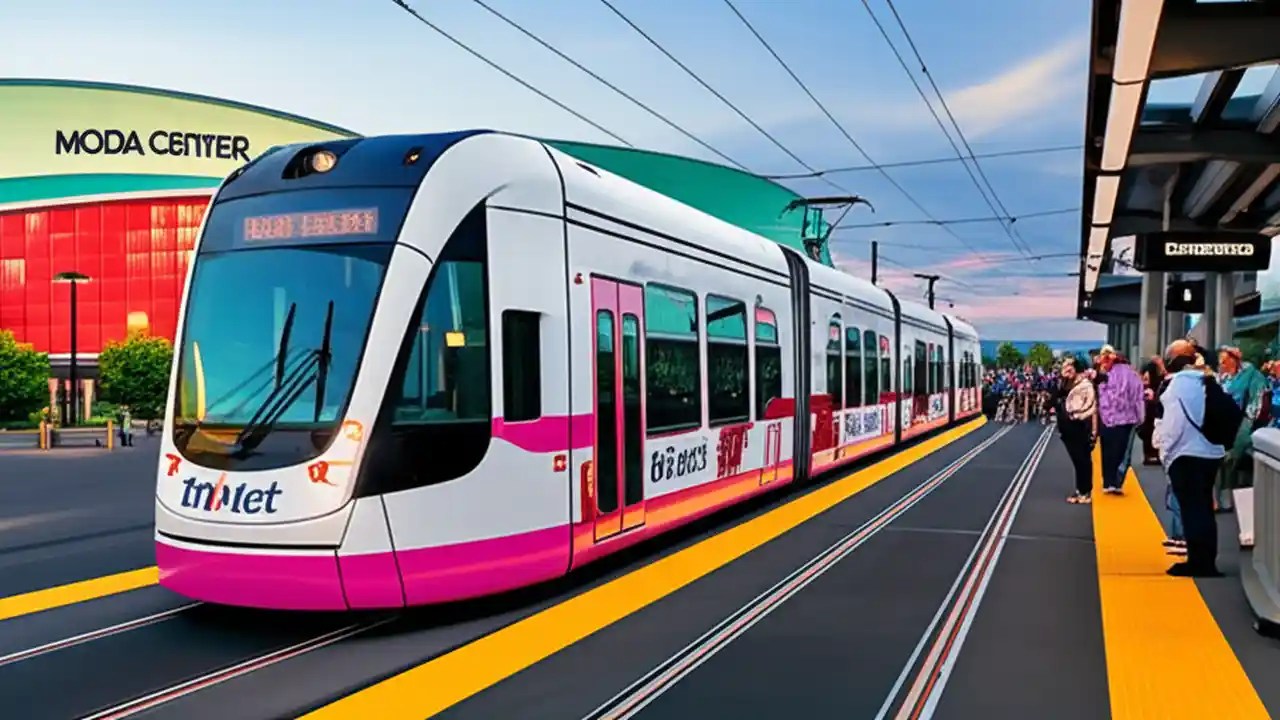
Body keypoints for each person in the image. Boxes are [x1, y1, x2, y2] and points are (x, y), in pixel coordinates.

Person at [1154, 339, 1225, 577]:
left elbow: (1172, 427)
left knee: (1191, 510)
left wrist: (1165, 455)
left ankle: (1198, 562)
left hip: (1185, 454)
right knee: (1203, 508)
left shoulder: (1177, 386)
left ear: (1172, 360)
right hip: (1211, 452)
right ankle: (1206, 559)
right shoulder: (1208, 381)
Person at [1215, 346, 1265, 512]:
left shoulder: (1252, 375)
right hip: (1221, 421)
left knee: (1232, 456)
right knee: (1218, 457)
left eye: (1224, 360)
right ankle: (1218, 495)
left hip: (1242, 421)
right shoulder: (1221, 377)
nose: (1221, 364)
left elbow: (1256, 400)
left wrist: (1249, 421)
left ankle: (1227, 494)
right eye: (1220, 361)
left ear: (1234, 360)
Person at [1096, 348, 1145, 493]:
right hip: (1127, 418)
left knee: (1107, 450)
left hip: (1107, 418)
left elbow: (1102, 395)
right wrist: (1140, 417)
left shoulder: (1107, 374)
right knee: (1122, 451)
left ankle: (1108, 481)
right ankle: (1117, 481)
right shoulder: (1133, 375)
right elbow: (1138, 397)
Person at [1056, 357, 1098, 504]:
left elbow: (1089, 407)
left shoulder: (1085, 385)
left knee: (1082, 459)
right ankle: (1081, 489)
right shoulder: (1068, 384)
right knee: (1077, 460)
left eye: (1069, 366)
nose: (1066, 369)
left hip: (1080, 427)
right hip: (1068, 428)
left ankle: (1085, 491)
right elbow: (1055, 396)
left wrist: (1075, 416)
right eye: (1064, 366)